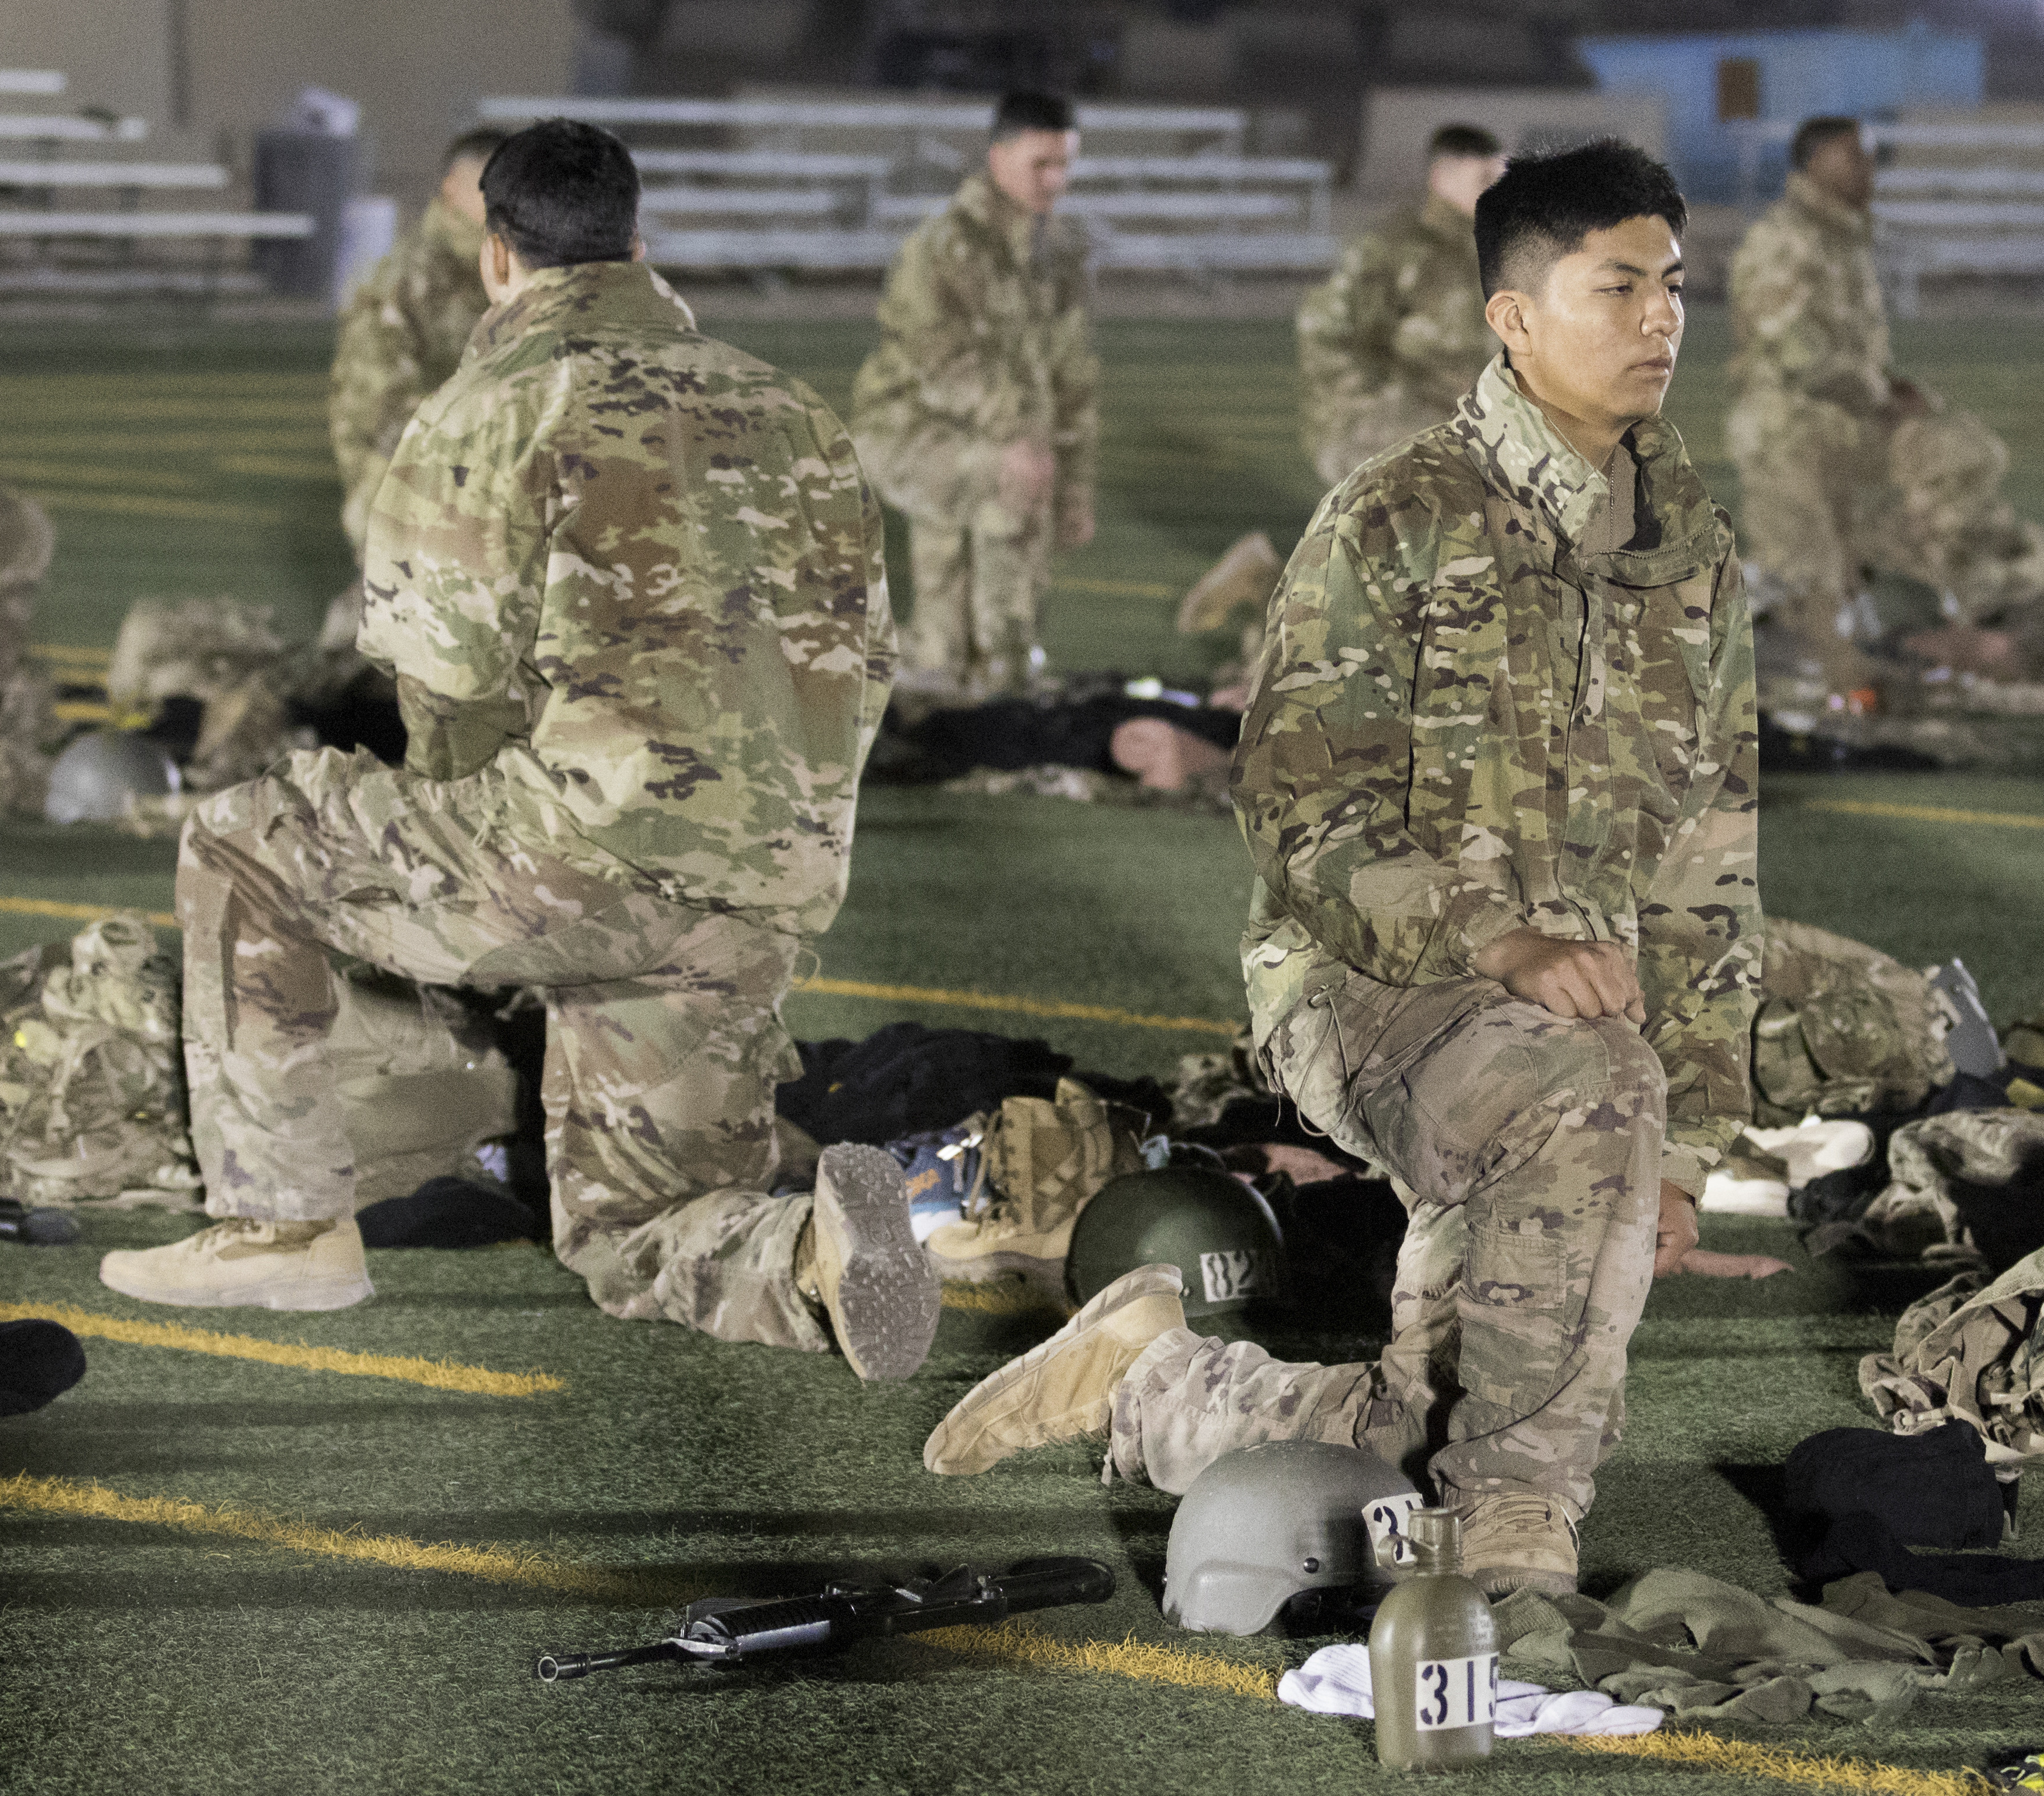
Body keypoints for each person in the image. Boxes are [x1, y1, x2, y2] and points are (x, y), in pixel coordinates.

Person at [921, 140, 1762, 1597]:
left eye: (1674, 287)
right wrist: (1498, 944)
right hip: (1370, 984)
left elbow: (1709, 858)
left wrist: (1687, 1143)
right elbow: (1299, 808)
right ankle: (1514, 1526)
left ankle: (1160, 1385)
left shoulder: (1686, 552)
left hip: (1564, 1018)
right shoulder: (1397, 516)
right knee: (1586, 1095)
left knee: (1439, 1405)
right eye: (1618, 287)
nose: (1659, 320)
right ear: (1513, 318)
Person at [97, 121, 935, 1381]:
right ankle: (807, 1261)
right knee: (633, 1225)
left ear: (497, 256)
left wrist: (484, 901)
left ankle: (284, 1226)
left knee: (243, 839)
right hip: (758, 893)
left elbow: (445, 695)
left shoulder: (490, 408)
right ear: (637, 244)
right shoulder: (792, 411)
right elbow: (864, 660)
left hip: (572, 866)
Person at [1725, 115, 2044, 666]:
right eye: (1854, 156)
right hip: (1794, 435)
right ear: (1816, 162)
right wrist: (1881, 398)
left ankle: (1954, 602)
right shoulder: (1784, 240)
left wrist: (1890, 390)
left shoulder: (1840, 239)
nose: (1869, 168)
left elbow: (1848, 350)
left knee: (1957, 458)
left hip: (1841, 426)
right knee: (1805, 595)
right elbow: (1799, 352)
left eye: (1870, 157)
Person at [851, 90, 1097, 702]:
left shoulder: (1062, 253)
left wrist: (1076, 485)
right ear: (998, 157)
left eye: (1065, 165)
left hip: (996, 438)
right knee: (1008, 477)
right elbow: (937, 360)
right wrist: (1020, 438)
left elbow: (1073, 378)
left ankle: (958, 664)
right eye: (1042, 164)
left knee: (1017, 480)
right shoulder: (941, 247)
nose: (1056, 180)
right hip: (903, 431)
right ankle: (995, 670)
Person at [1294, 121, 1506, 487]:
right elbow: (1327, 337)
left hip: (1482, 438)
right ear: (1442, 178)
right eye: (1485, 179)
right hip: (1395, 441)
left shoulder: (1505, 253)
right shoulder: (1393, 251)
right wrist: (1386, 412)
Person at [328, 126, 508, 550]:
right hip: (413, 494)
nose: (505, 202)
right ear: (451, 189)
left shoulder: (515, 265)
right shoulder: (402, 281)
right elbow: (381, 413)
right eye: (491, 189)